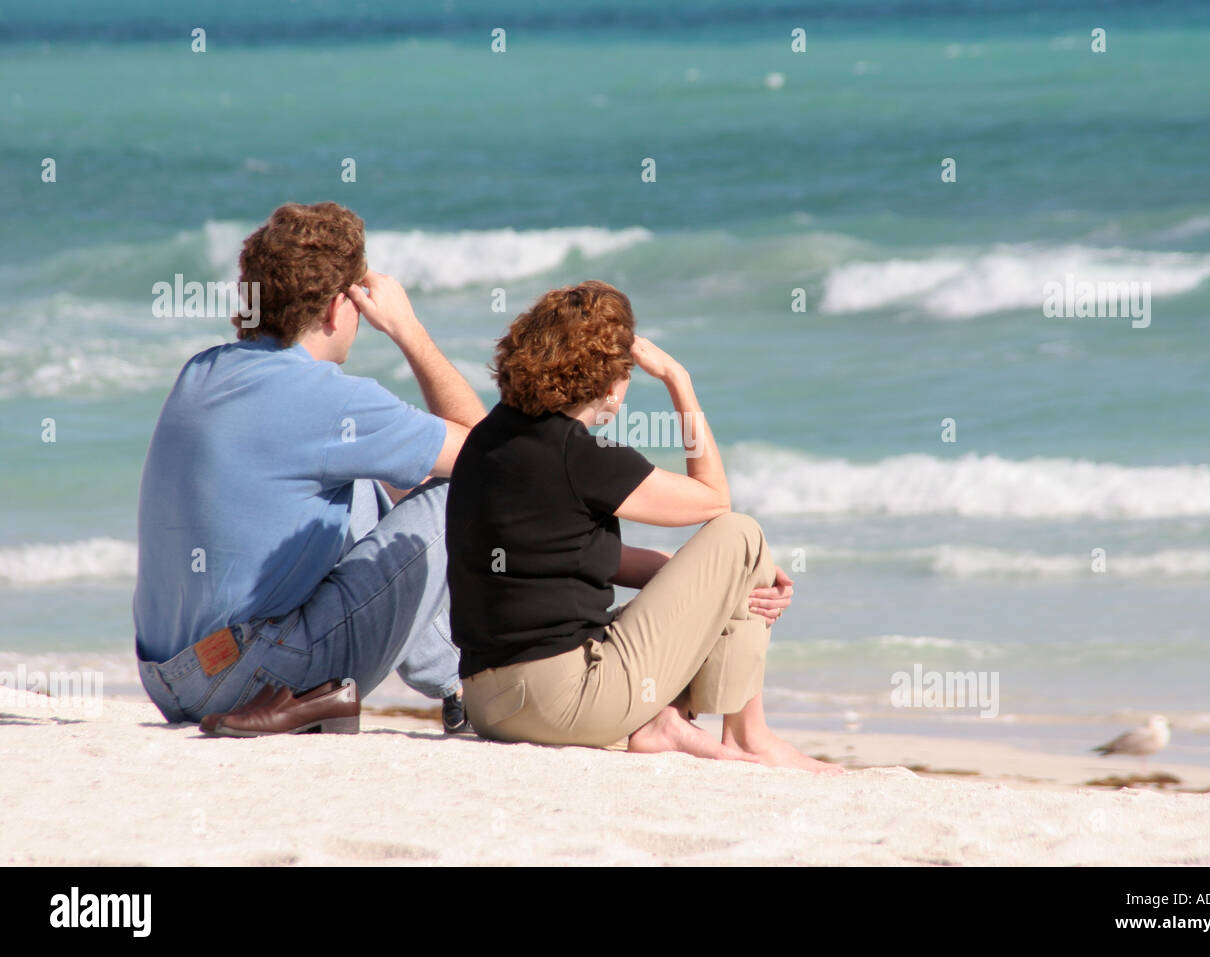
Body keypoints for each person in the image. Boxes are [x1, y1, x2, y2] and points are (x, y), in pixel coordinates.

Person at [447, 281, 840, 772]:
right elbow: (714, 500)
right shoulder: (579, 454)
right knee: (742, 535)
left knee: (729, 569)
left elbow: (581, 559)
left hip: (490, 705)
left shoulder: (490, 438)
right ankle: (749, 737)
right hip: (565, 702)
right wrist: (679, 380)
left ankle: (661, 724)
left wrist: (722, 583)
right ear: (613, 379)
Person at [133, 201, 485, 735]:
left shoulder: (201, 371)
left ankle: (458, 685)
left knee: (355, 475)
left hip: (164, 678)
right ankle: (478, 685)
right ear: (337, 309)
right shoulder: (328, 400)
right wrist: (409, 330)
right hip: (252, 680)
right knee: (466, 490)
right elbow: (493, 454)